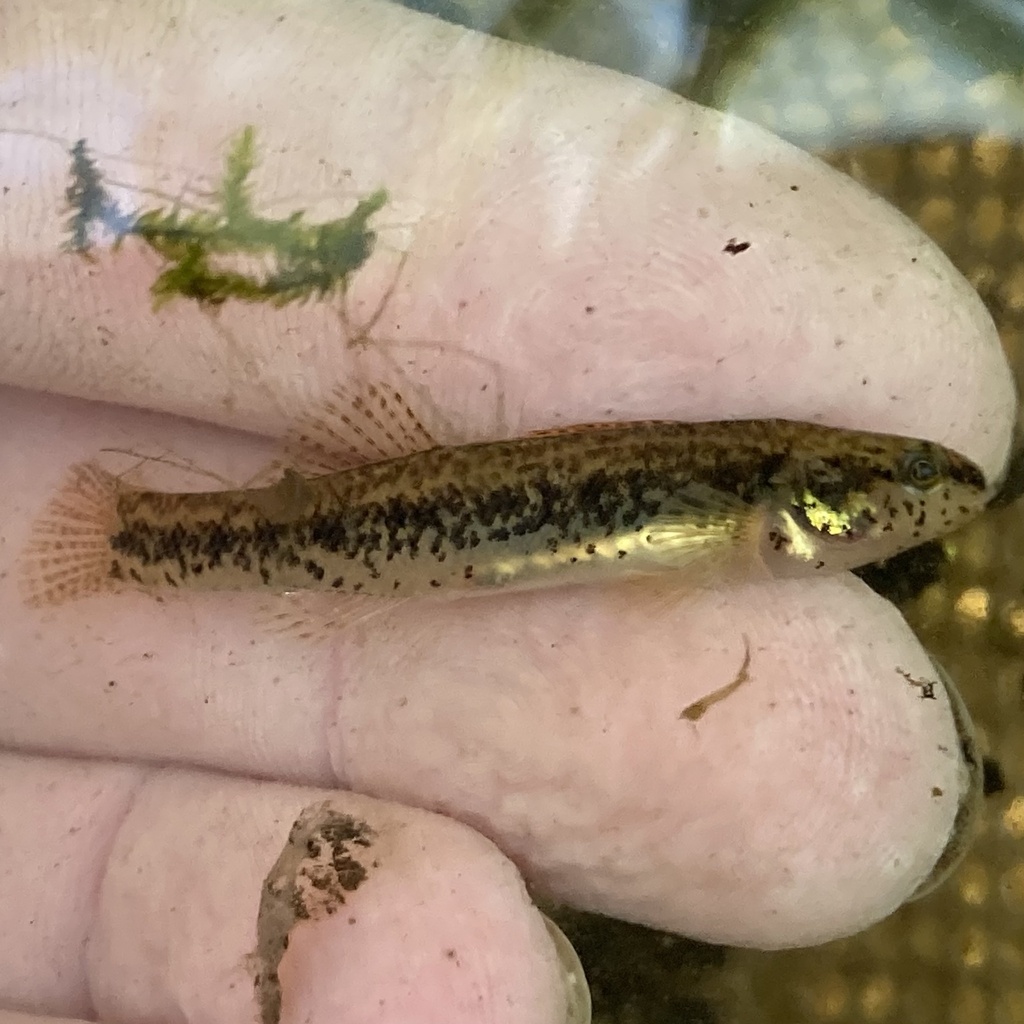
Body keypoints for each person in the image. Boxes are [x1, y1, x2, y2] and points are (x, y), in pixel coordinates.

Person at [0, 1, 1014, 1023]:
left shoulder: (746, 494)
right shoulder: (743, 499)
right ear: (817, 493)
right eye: (908, 490)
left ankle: (150, 541)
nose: (924, 507)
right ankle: (139, 540)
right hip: (408, 521)